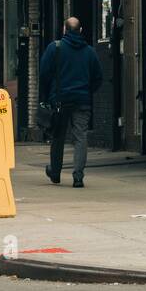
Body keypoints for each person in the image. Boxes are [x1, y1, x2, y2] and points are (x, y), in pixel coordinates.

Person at [38, 17, 102, 187]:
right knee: (80, 137)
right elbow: (98, 77)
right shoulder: (89, 52)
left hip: (60, 100)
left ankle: (55, 173)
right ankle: (78, 176)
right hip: (82, 101)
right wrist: (87, 91)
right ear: (80, 31)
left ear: (64, 30)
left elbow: (44, 74)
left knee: (58, 136)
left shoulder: (55, 48)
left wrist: (45, 97)